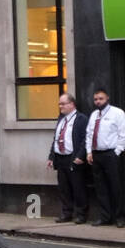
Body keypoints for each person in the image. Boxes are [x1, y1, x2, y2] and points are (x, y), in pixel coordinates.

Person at [85, 87, 125, 227]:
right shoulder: (94, 115)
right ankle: (105, 217)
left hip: (111, 154)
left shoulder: (117, 113)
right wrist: (89, 152)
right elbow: (89, 134)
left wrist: (116, 152)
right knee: (101, 188)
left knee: (115, 187)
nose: (98, 101)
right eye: (96, 99)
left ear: (107, 99)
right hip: (96, 155)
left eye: (101, 99)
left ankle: (120, 218)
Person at [47, 93, 88, 224]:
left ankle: (81, 214)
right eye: (59, 104)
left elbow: (86, 140)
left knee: (78, 187)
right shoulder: (61, 119)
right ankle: (66, 213)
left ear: (72, 104)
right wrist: (51, 156)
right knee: (64, 188)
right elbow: (56, 138)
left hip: (74, 157)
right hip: (60, 158)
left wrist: (81, 156)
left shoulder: (81, 119)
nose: (60, 106)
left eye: (63, 104)